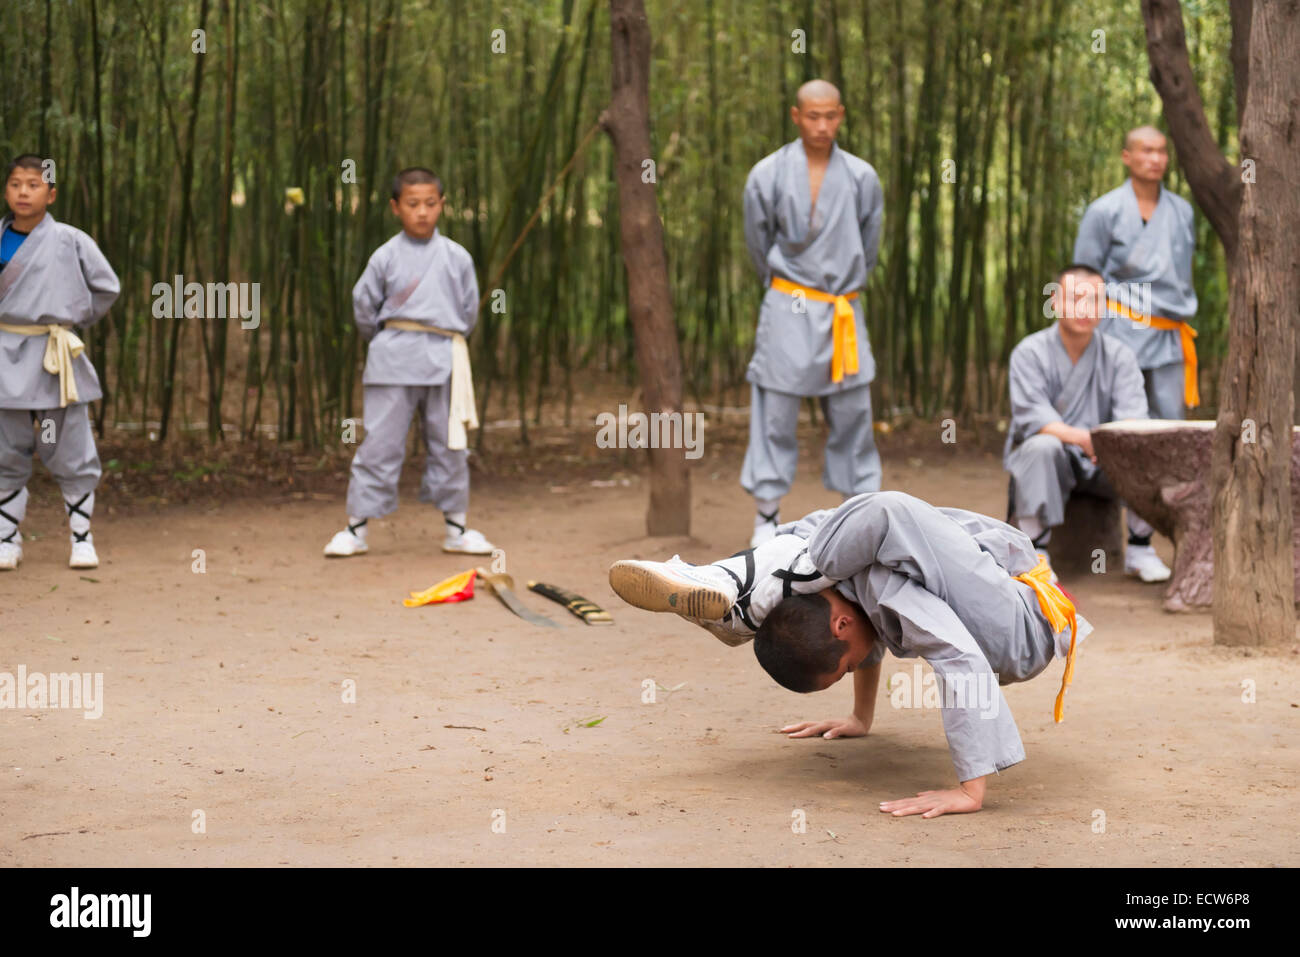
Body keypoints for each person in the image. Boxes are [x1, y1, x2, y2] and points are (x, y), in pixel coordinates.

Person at [609, 491, 1092, 819]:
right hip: (1015, 608)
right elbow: (873, 641)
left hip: (1021, 630)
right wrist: (860, 717)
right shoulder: (866, 592)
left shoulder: (876, 588)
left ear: (840, 624)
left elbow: (960, 658)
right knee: (814, 543)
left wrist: (971, 788)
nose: (850, 672)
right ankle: (735, 596)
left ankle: (731, 592)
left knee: (836, 536)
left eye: (840, 671)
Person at [740, 79, 885, 548]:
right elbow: (759, 245)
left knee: (853, 410)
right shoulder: (766, 174)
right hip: (788, 301)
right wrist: (789, 285)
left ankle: (857, 510)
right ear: (795, 116)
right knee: (776, 409)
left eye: (831, 116)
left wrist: (840, 280)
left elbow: (869, 245)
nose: (822, 125)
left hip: (842, 306)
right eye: (813, 116)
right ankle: (767, 514)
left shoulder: (863, 176)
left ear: (841, 115)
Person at [324, 167, 495, 557]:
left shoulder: (458, 257)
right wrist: (389, 341)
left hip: (446, 357)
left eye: (430, 204)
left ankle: (456, 528)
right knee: (380, 445)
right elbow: (363, 307)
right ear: (395, 207)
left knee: (450, 443)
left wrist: (441, 338)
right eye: (413, 204)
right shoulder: (384, 256)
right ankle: (355, 530)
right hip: (393, 360)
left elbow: (469, 312)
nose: (422, 212)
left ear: (443, 205)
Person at [1006, 264, 1170, 582]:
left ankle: (1140, 547)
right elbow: (1033, 416)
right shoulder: (1029, 353)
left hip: (1107, 462)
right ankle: (1037, 553)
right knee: (1042, 446)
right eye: (1075, 298)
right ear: (1054, 301)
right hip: (1055, 460)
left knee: (1144, 445)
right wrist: (1083, 439)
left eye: (1094, 300)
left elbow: (1131, 419)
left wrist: (1106, 445)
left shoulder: (1120, 356)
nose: (1085, 309)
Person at [0, 153, 120, 571]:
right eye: (15, 184)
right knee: (6, 450)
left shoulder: (70, 240)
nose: (23, 192)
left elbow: (106, 287)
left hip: (52, 365)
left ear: (50, 194)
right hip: (4, 362)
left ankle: (82, 537)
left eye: (33, 185)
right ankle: (7, 539)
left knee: (63, 443)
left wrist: (71, 321)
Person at [1073, 125, 1198, 420]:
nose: (1156, 158)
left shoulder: (1182, 212)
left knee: (1170, 426)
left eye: (1162, 151)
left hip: (1169, 333)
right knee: (1120, 421)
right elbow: (1083, 279)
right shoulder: (1103, 211)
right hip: (1118, 330)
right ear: (1127, 157)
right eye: (1147, 150)